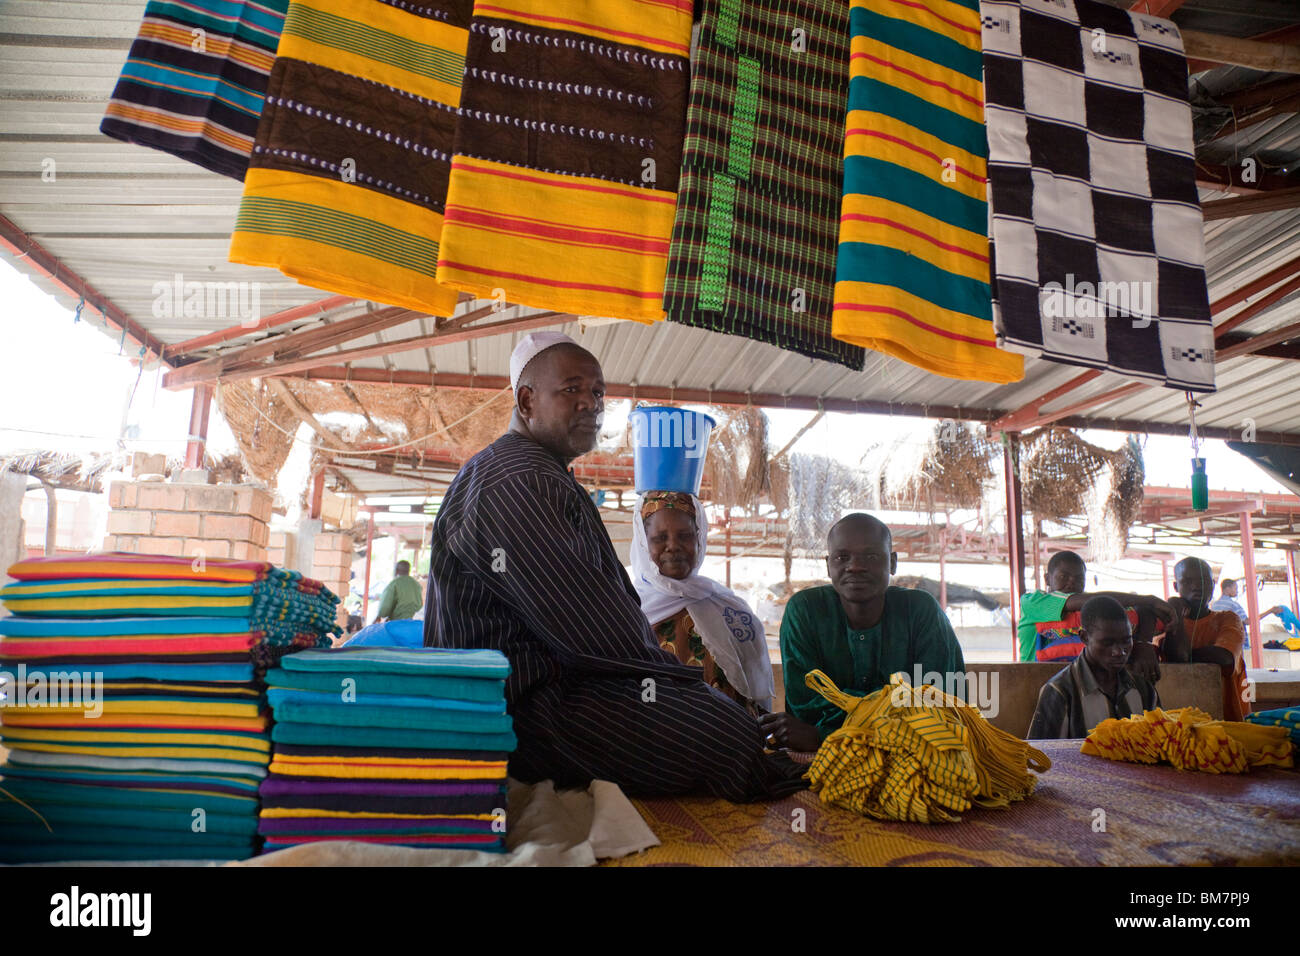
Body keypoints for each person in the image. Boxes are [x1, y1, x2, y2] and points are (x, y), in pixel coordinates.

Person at [423, 331, 804, 800]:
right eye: (572, 390)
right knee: (718, 730)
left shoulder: (532, 472)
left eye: (598, 393)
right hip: (518, 708)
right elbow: (590, 630)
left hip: (538, 691)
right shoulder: (520, 480)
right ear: (526, 400)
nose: (591, 404)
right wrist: (682, 686)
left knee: (716, 717)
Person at [760, 513, 965, 752]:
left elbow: (938, 702)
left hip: (917, 755)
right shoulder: (805, 611)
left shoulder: (921, 611)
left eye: (871, 556)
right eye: (842, 557)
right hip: (821, 760)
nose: (855, 566)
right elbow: (806, 704)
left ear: (893, 562)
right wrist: (890, 709)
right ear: (829, 565)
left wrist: (824, 734)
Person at [630, 489, 775, 716]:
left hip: (732, 742)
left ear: (700, 539)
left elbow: (755, 699)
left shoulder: (730, 608)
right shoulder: (629, 611)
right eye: (660, 538)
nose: (673, 545)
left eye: (685, 536)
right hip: (656, 741)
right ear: (642, 544)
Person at [1017, 550, 1172, 684]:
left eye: (1079, 578)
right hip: (1034, 677)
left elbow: (1136, 611)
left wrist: (1142, 643)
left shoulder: (1086, 609)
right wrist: (1148, 600)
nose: (1071, 582)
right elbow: (1095, 600)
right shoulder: (1032, 601)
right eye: (1063, 576)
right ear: (1047, 579)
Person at [1027, 596, 1160, 739]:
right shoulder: (1060, 691)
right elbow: (1040, 756)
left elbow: (1161, 744)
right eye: (1107, 642)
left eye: (1126, 641)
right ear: (1084, 637)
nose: (1119, 651)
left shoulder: (1143, 689)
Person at [1161, 556, 1252, 722]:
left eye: (1204, 581)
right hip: (1178, 724)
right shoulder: (1163, 625)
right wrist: (1177, 616)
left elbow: (1224, 657)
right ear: (1176, 586)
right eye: (1188, 581)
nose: (1197, 587)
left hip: (1227, 720)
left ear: (1214, 583)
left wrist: (1181, 656)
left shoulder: (1228, 619)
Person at [1210, 577, 1290, 650]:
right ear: (1227, 589)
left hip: (1219, 643)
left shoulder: (1214, 605)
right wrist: (1270, 611)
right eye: (1235, 588)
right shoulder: (1232, 605)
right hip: (1234, 645)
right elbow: (1248, 621)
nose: (1237, 591)